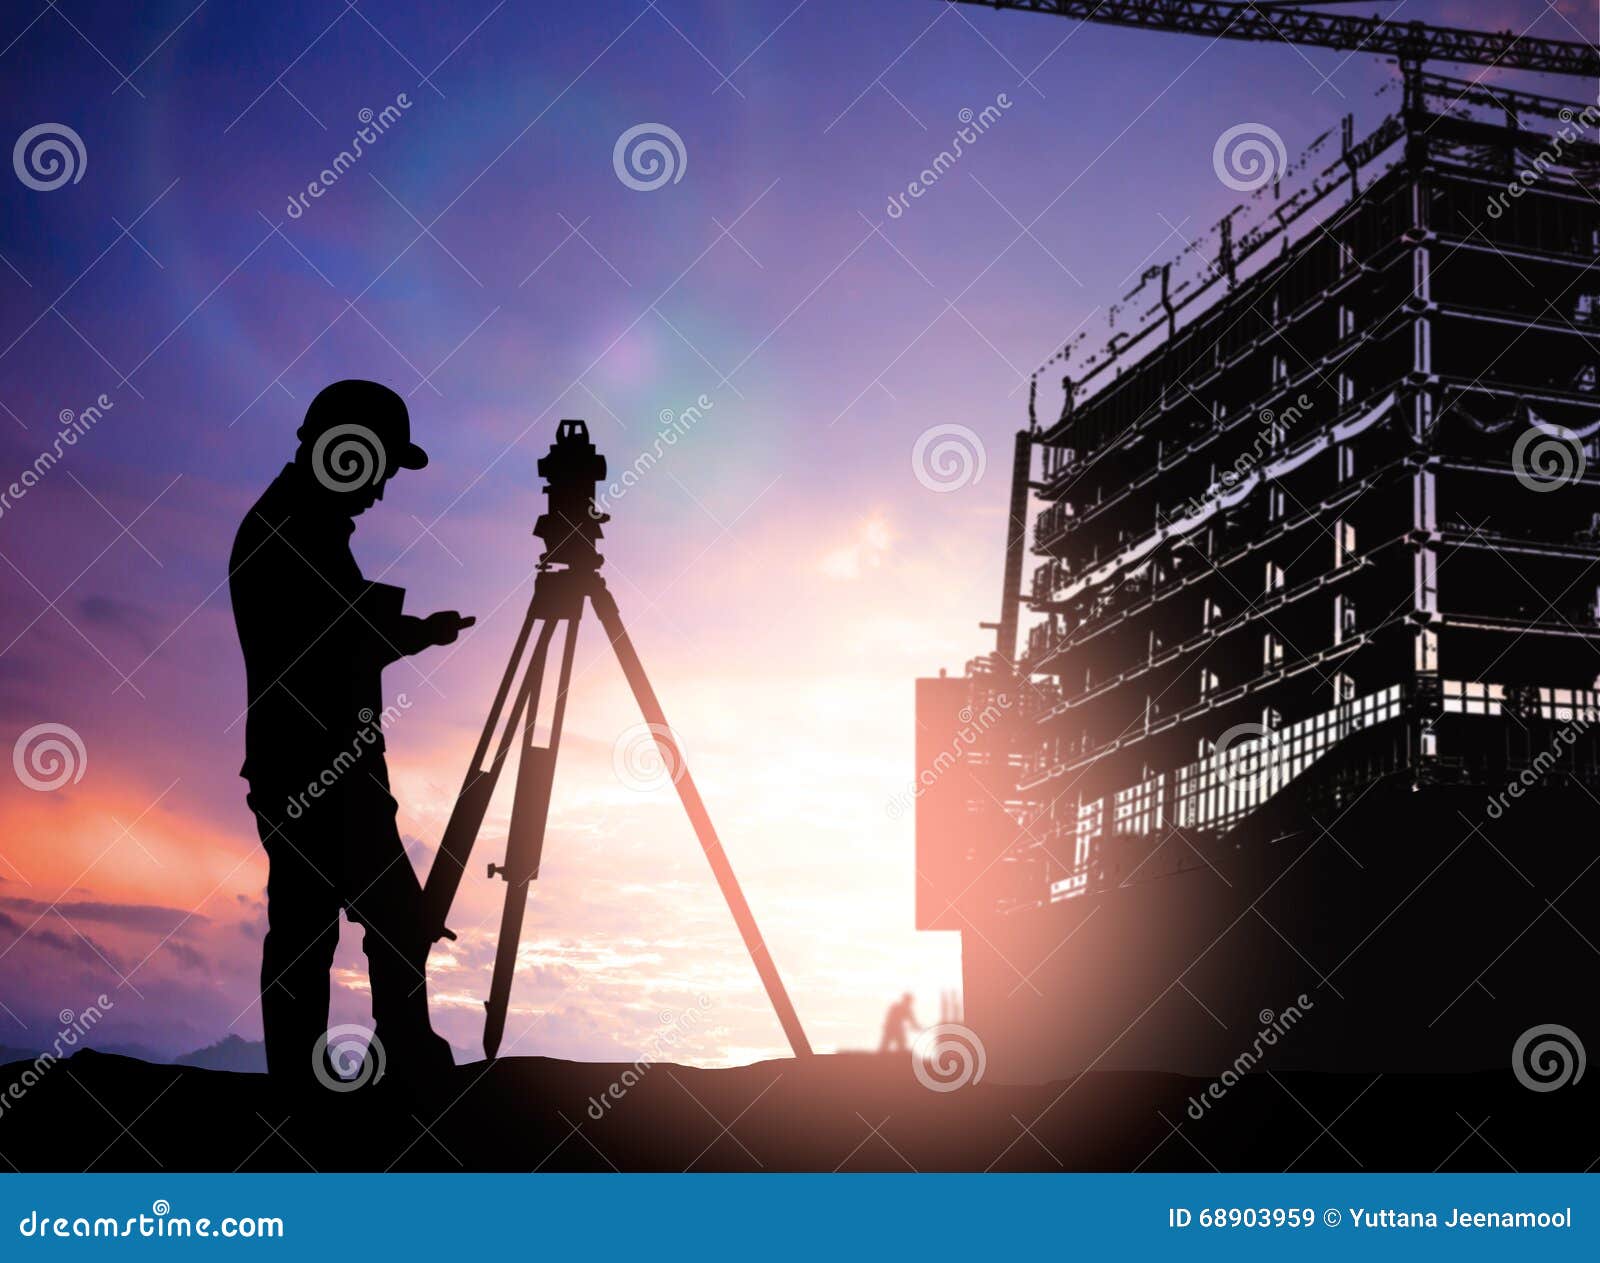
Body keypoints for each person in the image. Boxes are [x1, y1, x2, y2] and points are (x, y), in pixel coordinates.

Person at [229, 379, 473, 1090]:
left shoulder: (305, 528)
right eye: (381, 467)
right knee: (328, 928)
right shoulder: (288, 529)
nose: (381, 489)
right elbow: (328, 639)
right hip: (312, 773)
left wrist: (413, 633)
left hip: (331, 769)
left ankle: (385, 1060)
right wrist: (407, 633)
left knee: (379, 919)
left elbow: (338, 628)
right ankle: (320, 1087)